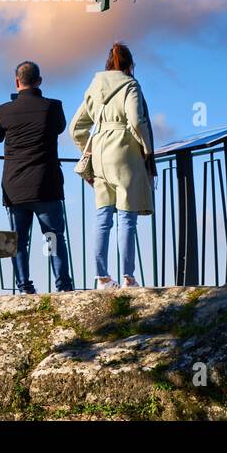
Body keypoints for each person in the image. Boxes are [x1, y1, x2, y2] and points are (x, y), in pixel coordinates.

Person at [71, 42, 155, 289]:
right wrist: (147, 151)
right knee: (126, 218)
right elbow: (137, 121)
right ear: (130, 65)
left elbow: (75, 127)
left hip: (99, 154)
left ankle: (102, 278)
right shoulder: (130, 85)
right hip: (125, 152)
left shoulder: (94, 85)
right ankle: (129, 277)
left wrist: (88, 148)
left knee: (102, 217)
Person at [0, 60, 74, 293]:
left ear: (16, 81)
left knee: (19, 241)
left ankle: (25, 287)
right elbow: (59, 127)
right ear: (40, 81)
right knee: (53, 238)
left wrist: (14, 108)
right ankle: (63, 286)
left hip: (15, 188)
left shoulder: (6, 110)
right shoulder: (53, 107)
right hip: (46, 185)